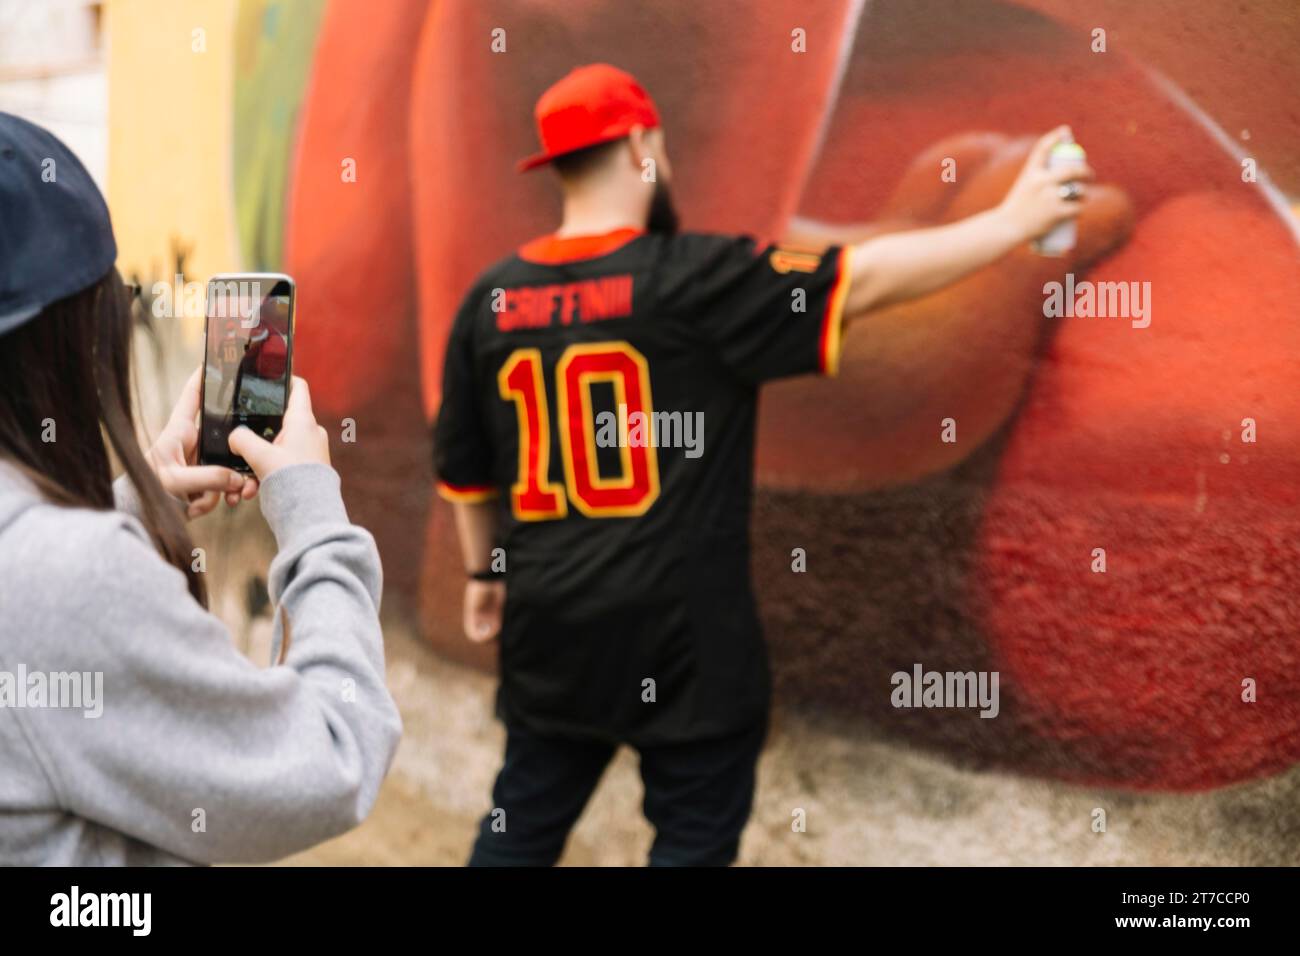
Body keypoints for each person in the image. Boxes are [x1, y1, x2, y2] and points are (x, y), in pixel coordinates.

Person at [434, 64, 1094, 866]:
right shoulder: (699, 278)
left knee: (523, 822)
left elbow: (467, 477)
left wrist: (483, 578)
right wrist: (1011, 222)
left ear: (557, 168)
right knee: (694, 841)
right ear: (644, 146)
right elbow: (863, 284)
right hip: (687, 640)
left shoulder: (494, 300)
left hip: (552, 624)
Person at [0, 112, 401, 865]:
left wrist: (131, 504)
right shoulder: (66, 581)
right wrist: (315, 519)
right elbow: (328, 759)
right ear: (82, 336)